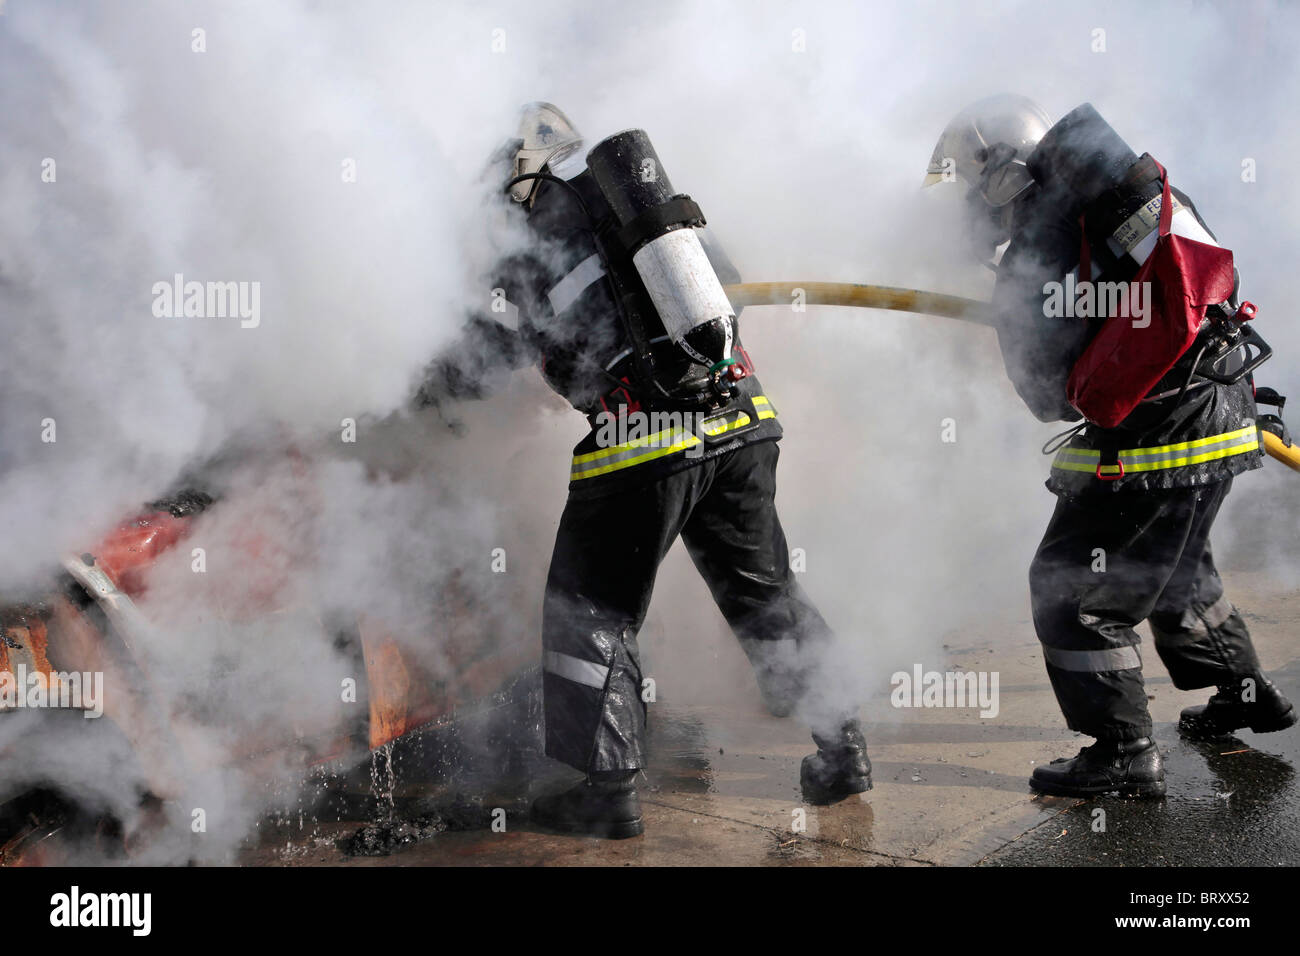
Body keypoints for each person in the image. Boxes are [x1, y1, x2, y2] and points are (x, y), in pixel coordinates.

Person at [418, 103, 868, 837]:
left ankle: (607, 792)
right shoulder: (649, 212)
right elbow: (730, 288)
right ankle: (843, 746)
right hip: (743, 417)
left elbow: (482, 360)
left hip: (642, 439)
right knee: (766, 593)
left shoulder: (527, 242)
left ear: (511, 175)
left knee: (590, 613)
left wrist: (407, 392)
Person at [924, 95, 1296, 798]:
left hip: (1162, 439)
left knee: (1074, 589)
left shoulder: (1043, 233)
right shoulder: (1140, 183)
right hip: (1227, 407)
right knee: (1174, 567)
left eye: (972, 191)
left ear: (1000, 174)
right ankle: (1244, 694)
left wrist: (1016, 314)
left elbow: (1048, 396)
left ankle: (1123, 752)